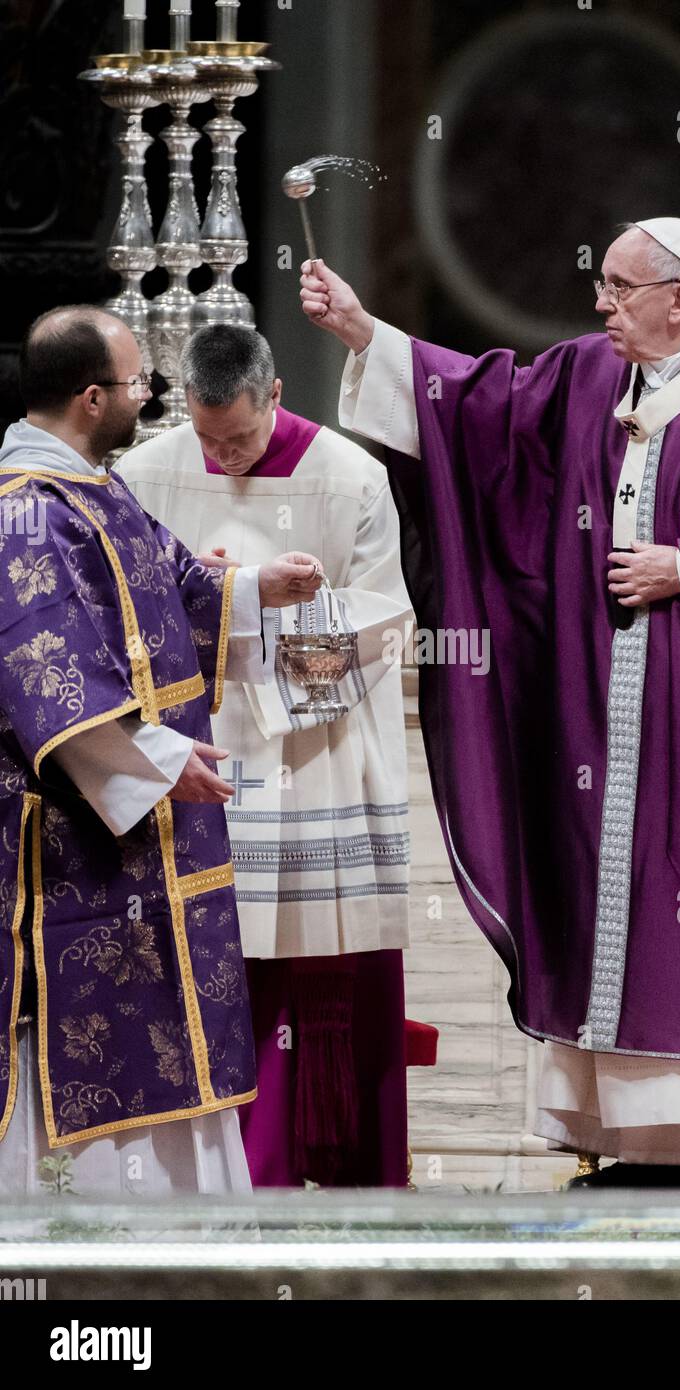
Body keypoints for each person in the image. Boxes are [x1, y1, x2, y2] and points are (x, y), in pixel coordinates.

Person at [299, 218, 680, 1190]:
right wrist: (367, 334)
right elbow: (483, 404)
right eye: (601, 286)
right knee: (627, 917)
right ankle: (643, 1147)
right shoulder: (595, 378)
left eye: (617, 288)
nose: (598, 304)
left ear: (678, 299)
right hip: (611, 723)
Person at [0, 305, 323, 1196]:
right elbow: (42, 663)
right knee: (101, 1033)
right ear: (92, 396)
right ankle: (88, 1234)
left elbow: (172, 580)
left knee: (169, 1023)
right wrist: (152, 761)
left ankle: (189, 1229)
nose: (148, 397)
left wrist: (260, 587)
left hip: (150, 828)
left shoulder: (92, 489)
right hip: (81, 837)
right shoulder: (26, 513)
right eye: (140, 382)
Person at [117, 324, 413, 1187]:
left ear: (275, 397)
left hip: (315, 759)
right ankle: (202, 1184)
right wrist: (223, 595)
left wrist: (244, 612)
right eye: (208, 439)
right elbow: (120, 621)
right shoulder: (145, 473)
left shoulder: (351, 477)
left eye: (239, 438)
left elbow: (383, 623)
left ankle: (324, 1174)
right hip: (193, 759)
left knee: (318, 974)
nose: (223, 457)